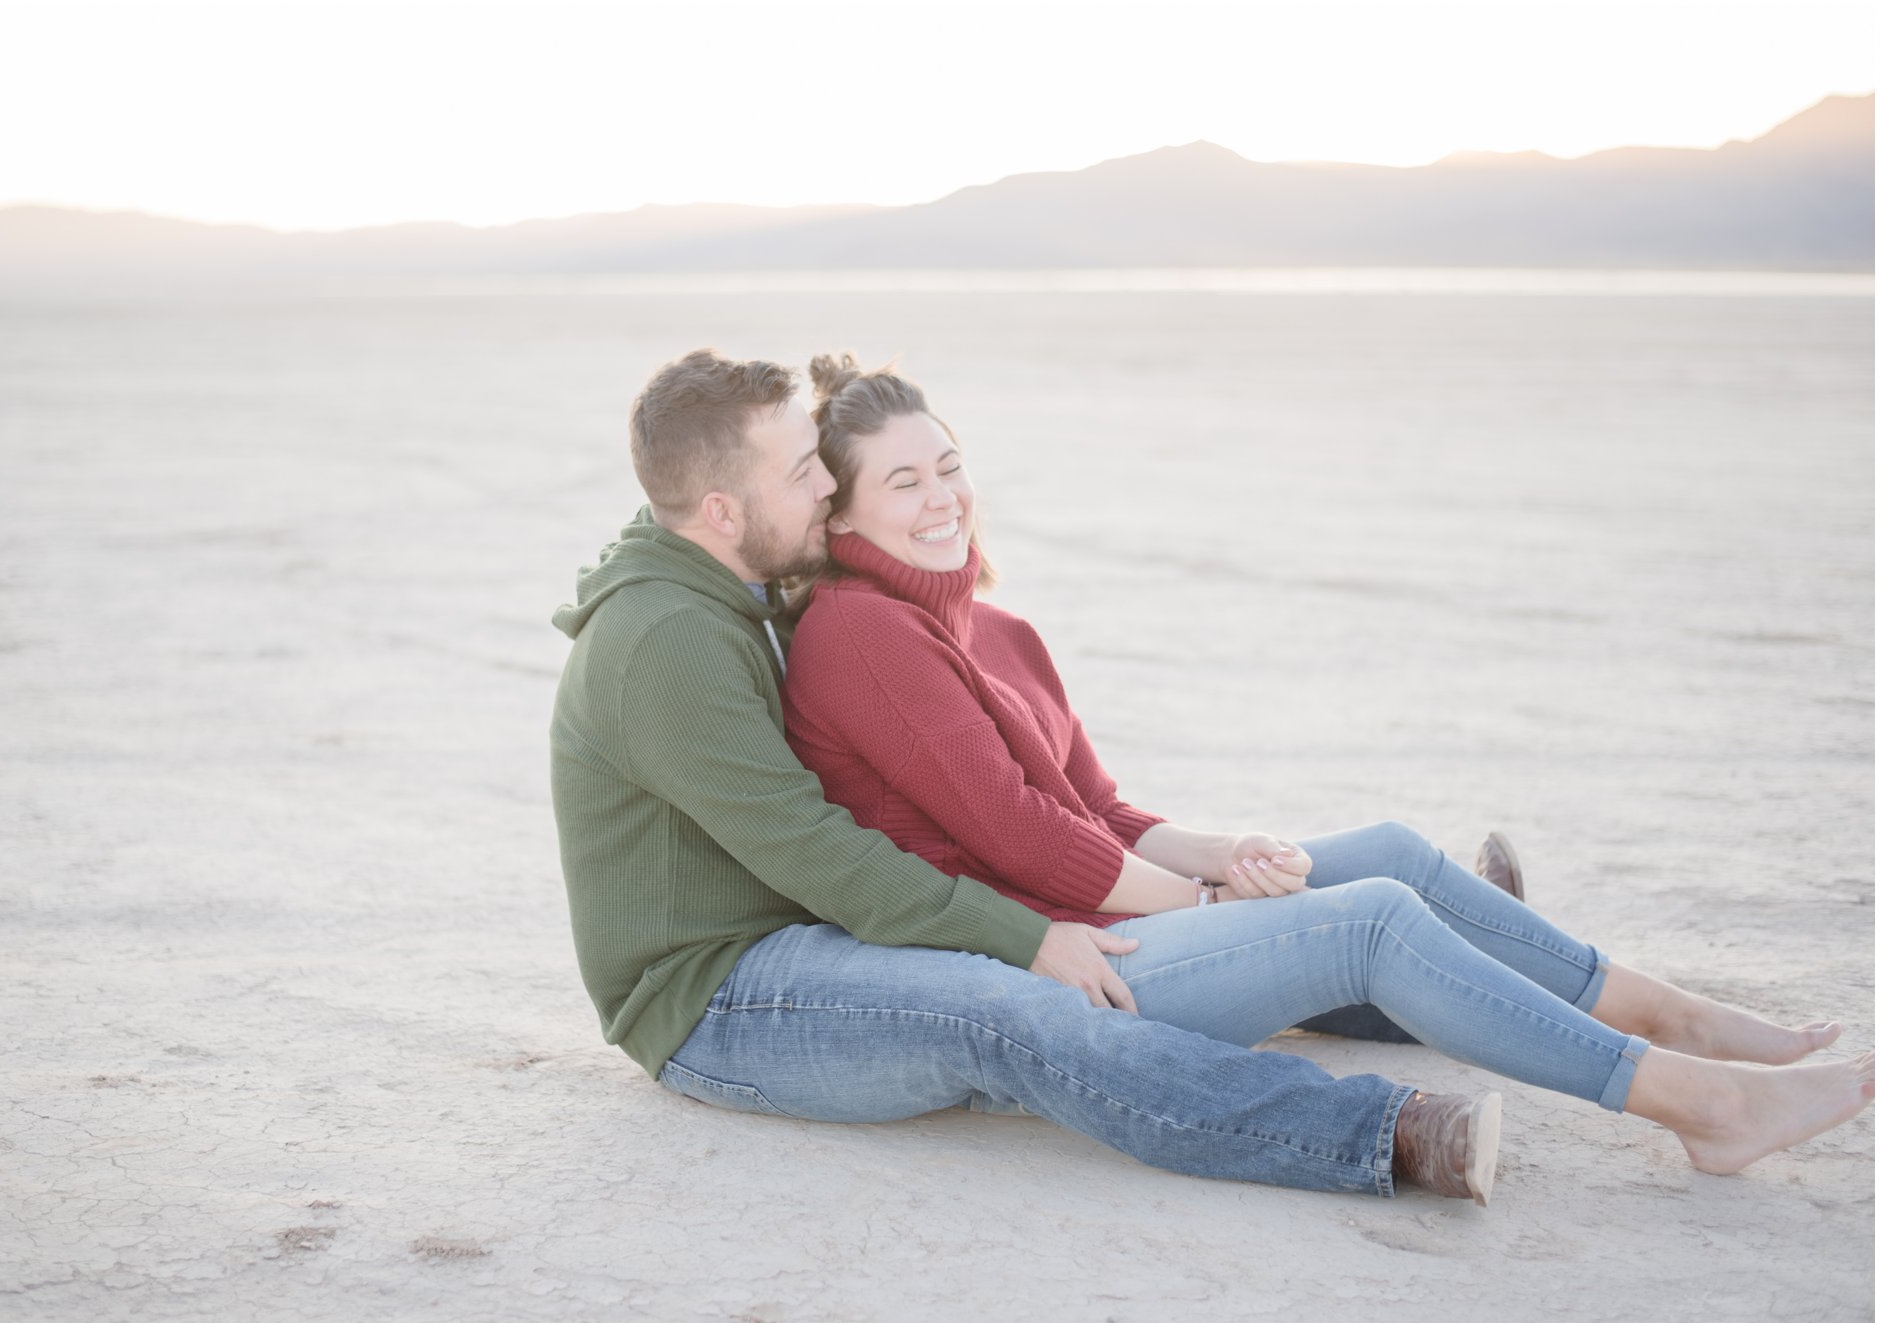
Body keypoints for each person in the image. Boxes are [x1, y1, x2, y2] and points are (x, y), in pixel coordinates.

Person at [770, 355, 1873, 1197]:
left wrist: (1220, 853)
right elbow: (1019, 837)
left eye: (949, 467)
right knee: (1370, 920)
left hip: (1103, 911)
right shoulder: (859, 630)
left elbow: (1097, 809)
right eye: (901, 482)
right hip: (1061, 963)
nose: (940, 498)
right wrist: (1207, 903)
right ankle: (1703, 1102)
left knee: (1388, 849)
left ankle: (1673, 1016)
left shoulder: (993, 628)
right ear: (843, 512)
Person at [551, 350, 1481, 1204]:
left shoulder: (719, 564)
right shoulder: (667, 638)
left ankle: (1442, 957)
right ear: (720, 509)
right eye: (803, 473)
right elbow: (816, 850)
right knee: (1012, 1011)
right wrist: (1025, 934)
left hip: (811, 930)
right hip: (718, 998)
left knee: (1283, 897)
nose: (829, 484)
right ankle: (1376, 1133)